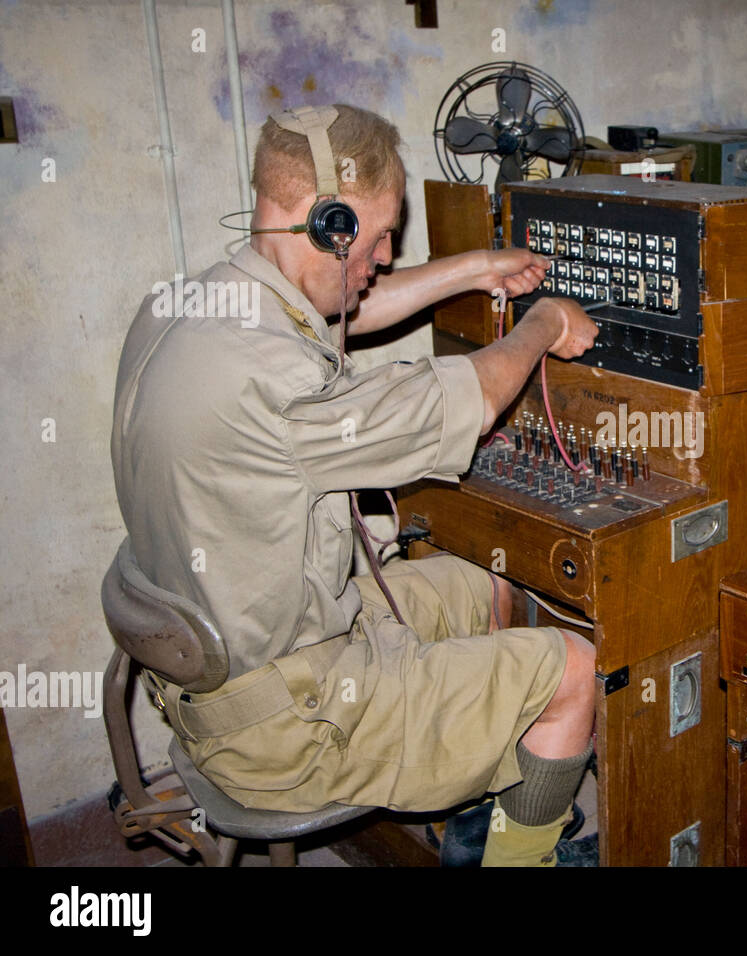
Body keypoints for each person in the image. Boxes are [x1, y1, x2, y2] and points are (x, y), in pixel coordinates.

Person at [110, 103, 599, 866]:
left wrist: (477, 267)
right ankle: (518, 855)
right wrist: (541, 325)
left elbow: (339, 306)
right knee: (574, 670)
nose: (380, 260)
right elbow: (467, 400)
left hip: (241, 662)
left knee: (491, 588)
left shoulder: (190, 304)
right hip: (284, 727)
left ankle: (475, 805)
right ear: (327, 224)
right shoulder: (272, 379)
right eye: (374, 242)